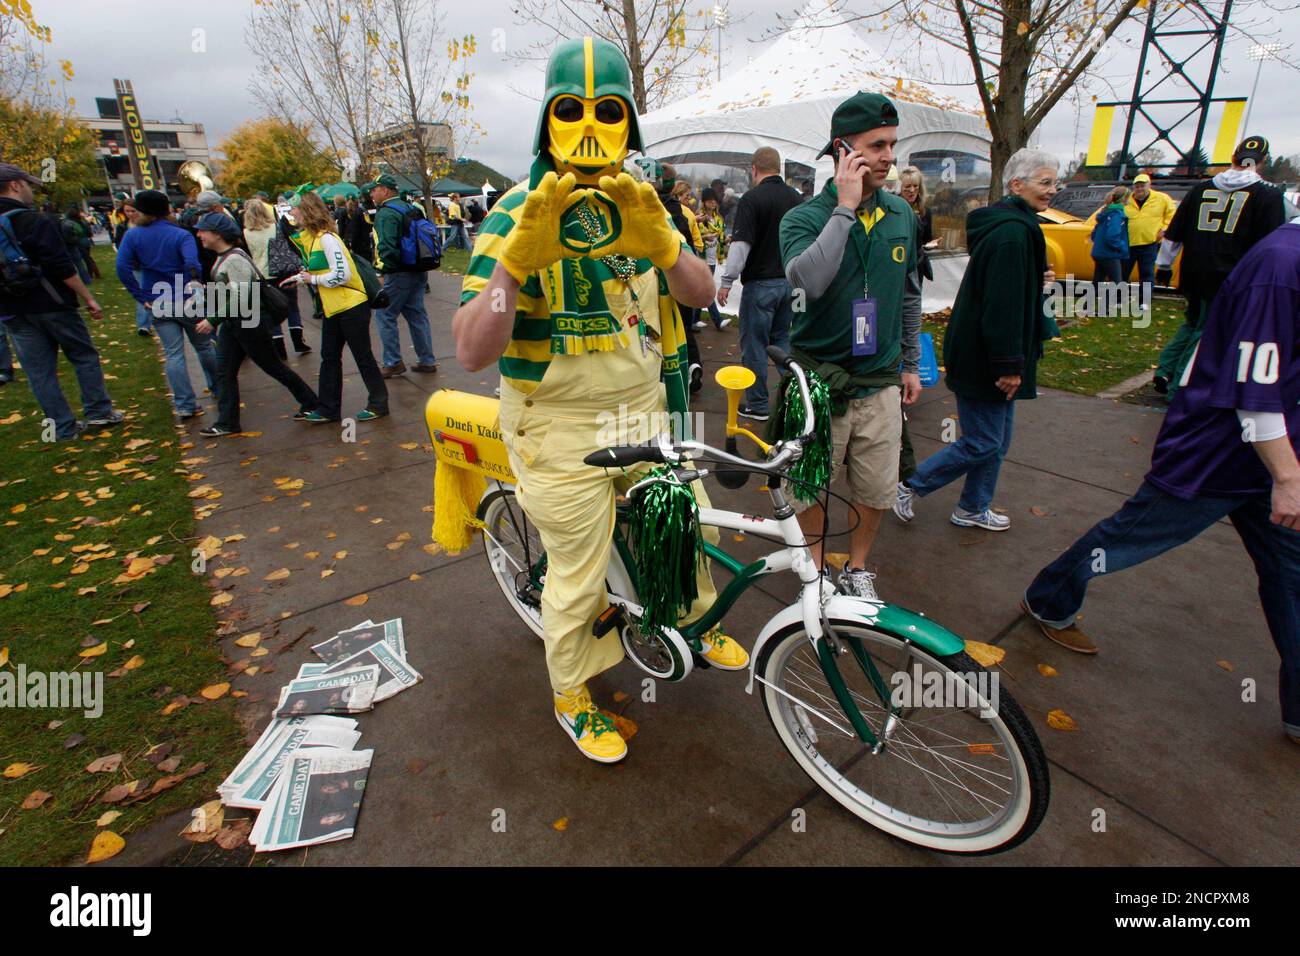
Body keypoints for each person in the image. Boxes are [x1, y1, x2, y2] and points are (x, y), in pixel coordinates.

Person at [451, 36, 741, 765]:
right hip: (556, 422)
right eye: (571, 110)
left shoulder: (643, 202)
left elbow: (705, 298)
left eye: (606, 111)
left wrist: (665, 245)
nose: (587, 127)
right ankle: (573, 692)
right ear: (549, 118)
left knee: (681, 523)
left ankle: (694, 621)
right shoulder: (516, 208)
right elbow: (471, 349)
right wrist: (515, 266)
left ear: (629, 124)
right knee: (579, 573)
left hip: (643, 408)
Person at [1023, 215, 1300, 744]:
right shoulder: (1280, 267)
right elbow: (1254, 388)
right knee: (1130, 536)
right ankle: (1049, 595)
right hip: (1217, 456)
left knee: (1294, 578)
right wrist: (1286, 475)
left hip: (1271, 455)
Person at [780, 92, 922, 600]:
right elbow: (808, 283)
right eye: (876, 146)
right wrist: (844, 208)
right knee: (810, 485)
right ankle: (816, 572)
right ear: (844, 151)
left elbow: (909, 293)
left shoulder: (901, 214)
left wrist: (910, 363)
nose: (889, 157)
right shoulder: (801, 219)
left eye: (892, 144)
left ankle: (858, 567)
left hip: (880, 381)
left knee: (876, 488)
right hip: (818, 381)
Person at [894, 148, 1061, 532]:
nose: (1053, 190)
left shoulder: (1013, 227)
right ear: (1017, 185)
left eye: (1055, 182)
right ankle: (909, 486)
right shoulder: (1012, 234)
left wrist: (1038, 281)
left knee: (995, 442)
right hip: (985, 358)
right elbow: (1001, 305)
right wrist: (1008, 365)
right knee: (983, 442)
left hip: (985, 353)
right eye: (1045, 182)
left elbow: (1008, 291)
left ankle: (972, 507)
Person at [1154, 135, 1286, 396]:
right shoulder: (1267, 195)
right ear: (1263, 161)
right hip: (1230, 273)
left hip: (1194, 269)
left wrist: (1165, 265)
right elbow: (1271, 244)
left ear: (1233, 157)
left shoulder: (1201, 189)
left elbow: (1173, 233)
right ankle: (1179, 386)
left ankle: (1165, 369)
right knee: (1206, 329)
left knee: (1192, 322)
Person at [0, 163, 122, 440]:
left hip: (12, 311)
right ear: (15, 185)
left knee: (39, 371)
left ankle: (61, 428)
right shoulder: (34, 221)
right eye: (28, 184)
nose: (32, 189)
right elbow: (61, 266)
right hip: (52, 303)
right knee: (83, 355)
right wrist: (88, 297)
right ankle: (99, 411)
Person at [191, 212, 319, 437]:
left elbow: (242, 297)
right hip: (238, 323)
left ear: (218, 234)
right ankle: (227, 422)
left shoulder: (234, 259)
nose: (199, 234)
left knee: (271, 366)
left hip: (249, 322)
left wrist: (212, 320)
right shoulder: (227, 257)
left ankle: (311, 402)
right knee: (225, 372)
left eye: (203, 230)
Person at [116, 189, 219, 420]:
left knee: (173, 354)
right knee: (204, 346)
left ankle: (184, 404)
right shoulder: (180, 235)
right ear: (167, 210)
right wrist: (193, 285)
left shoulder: (133, 236)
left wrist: (141, 296)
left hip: (157, 300)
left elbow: (122, 268)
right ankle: (219, 388)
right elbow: (192, 263)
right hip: (186, 298)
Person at [287, 191, 389, 425]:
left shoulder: (327, 239)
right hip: (335, 308)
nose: (292, 213)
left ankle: (378, 403)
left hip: (351, 307)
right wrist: (307, 277)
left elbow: (341, 275)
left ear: (307, 211)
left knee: (362, 357)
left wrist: (311, 280)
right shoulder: (315, 239)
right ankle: (328, 408)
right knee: (329, 357)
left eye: (295, 209)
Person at [717, 146, 802, 420]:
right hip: (790, 283)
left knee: (754, 345)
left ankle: (758, 404)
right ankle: (798, 401)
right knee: (782, 342)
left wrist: (727, 280)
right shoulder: (796, 198)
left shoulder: (751, 200)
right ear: (779, 168)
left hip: (761, 285)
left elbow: (741, 246)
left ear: (754, 169)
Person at [363, 173, 439, 378]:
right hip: (418, 269)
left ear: (385, 190)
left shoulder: (386, 213)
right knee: (416, 315)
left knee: (384, 314)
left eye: (374, 189)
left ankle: (393, 361)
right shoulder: (410, 207)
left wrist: (381, 271)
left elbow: (386, 247)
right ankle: (427, 359)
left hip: (398, 273)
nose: (371, 193)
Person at [897, 164, 938, 485]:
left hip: (913, 271)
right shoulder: (894, 214)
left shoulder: (921, 213)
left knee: (907, 322)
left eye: (914, 187)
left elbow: (922, 243)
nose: (910, 191)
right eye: (905, 187)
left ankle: (903, 381)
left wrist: (911, 364)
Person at [244, 197, 311, 357]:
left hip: (261, 274)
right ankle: (298, 341)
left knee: (273, 310)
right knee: (292, 306)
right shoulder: (276, 227)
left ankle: (279, 346)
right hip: (282, 270)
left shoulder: (246, 233)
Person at [1122, 172, 1175, 313]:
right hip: (1128, 243)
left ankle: (1144, 302)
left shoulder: (1162, 198)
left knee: (1146, 273)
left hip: (1149, 243)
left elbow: (1172, 215)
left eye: (1142, 186)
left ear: (1149, 185)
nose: (1140, 189)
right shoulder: (1127, 200)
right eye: (1137, 186)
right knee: (1123, 272)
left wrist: (1164, 229)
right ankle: (1119, 299)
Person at [1090, 185, 1130, 317]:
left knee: (1098, 280)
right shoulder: (1117, 215)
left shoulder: (1104, 213)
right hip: (1110, 253)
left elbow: (1094, 233)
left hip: (1099, 251)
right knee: (1116, 281)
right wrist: (1122, 247)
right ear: (1124, 199)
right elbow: (1112, 236)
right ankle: (1104, 308)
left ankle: (1087, 306)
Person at [698, 187, 730, 330]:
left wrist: (727, 239)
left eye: (714, 201)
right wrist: (706, 237)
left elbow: (721, 238)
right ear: (704, 202)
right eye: (709, 201)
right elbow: (693, 236)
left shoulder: (718, 219)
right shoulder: (699, 217)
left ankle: (693, 318)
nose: (713, 203)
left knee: (700, 289)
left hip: (712, 259)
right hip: (701, 258)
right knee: (707, 289)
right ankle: (718, 321)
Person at [341, 196, 374, 264]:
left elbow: (343, 229)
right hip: (368, 243)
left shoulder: (351, 212)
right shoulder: (363, 211)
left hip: (354, 243)